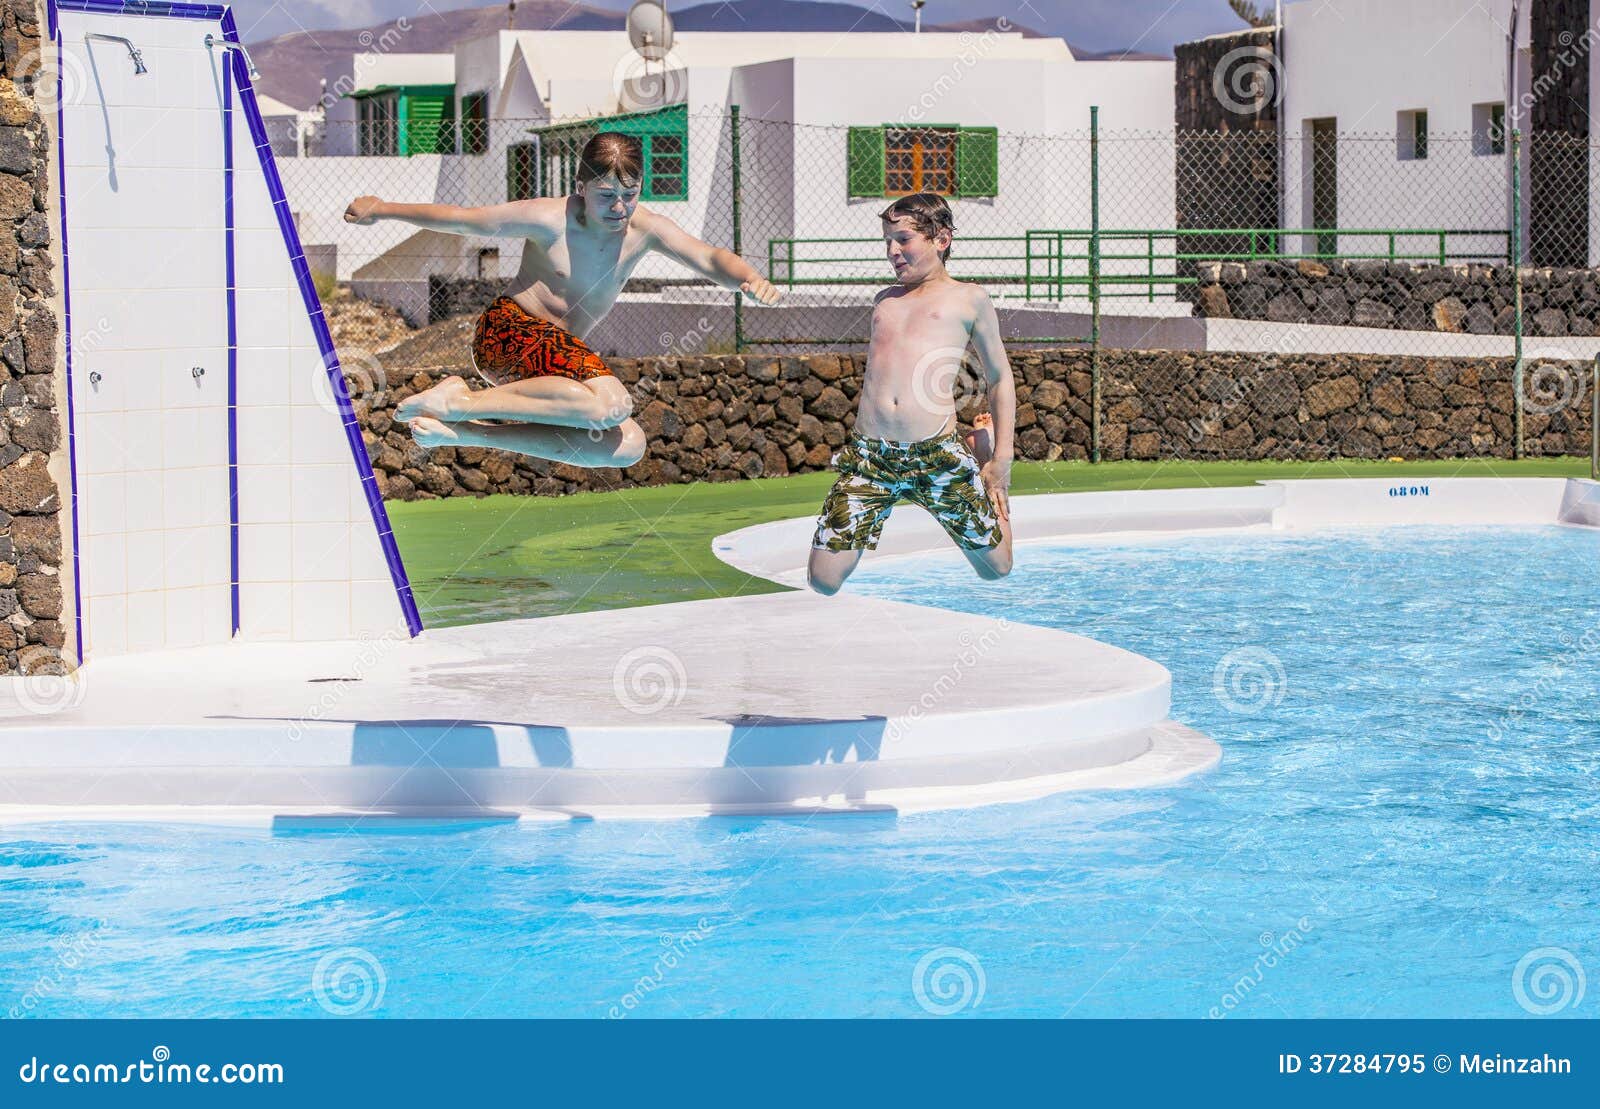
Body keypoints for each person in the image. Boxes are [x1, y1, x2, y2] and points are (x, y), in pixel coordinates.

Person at [343, 132, 780, 468]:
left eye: (630, 194)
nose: (620, 208)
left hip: (558, 358)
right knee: (613, 403)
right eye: (607, 196)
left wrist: (748, 277)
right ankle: (457, 402)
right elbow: (466, 221)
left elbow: (707, 256)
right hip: (506, 331)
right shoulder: (549, 218)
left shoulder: (647, 229)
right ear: (581, 187)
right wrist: (383, 208)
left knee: (627, 446)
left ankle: (462, 431)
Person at [807, 192, 1014, 594]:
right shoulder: (885, 301)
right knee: (823, 579)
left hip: (936, 455)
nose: (892, 251)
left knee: (996, 569)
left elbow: (1000, 377)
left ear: (942, 239)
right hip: (872, 459)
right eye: (887, 241)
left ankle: (981, 451)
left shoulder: (968, 298)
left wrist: (1001, 459)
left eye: (903, 239)